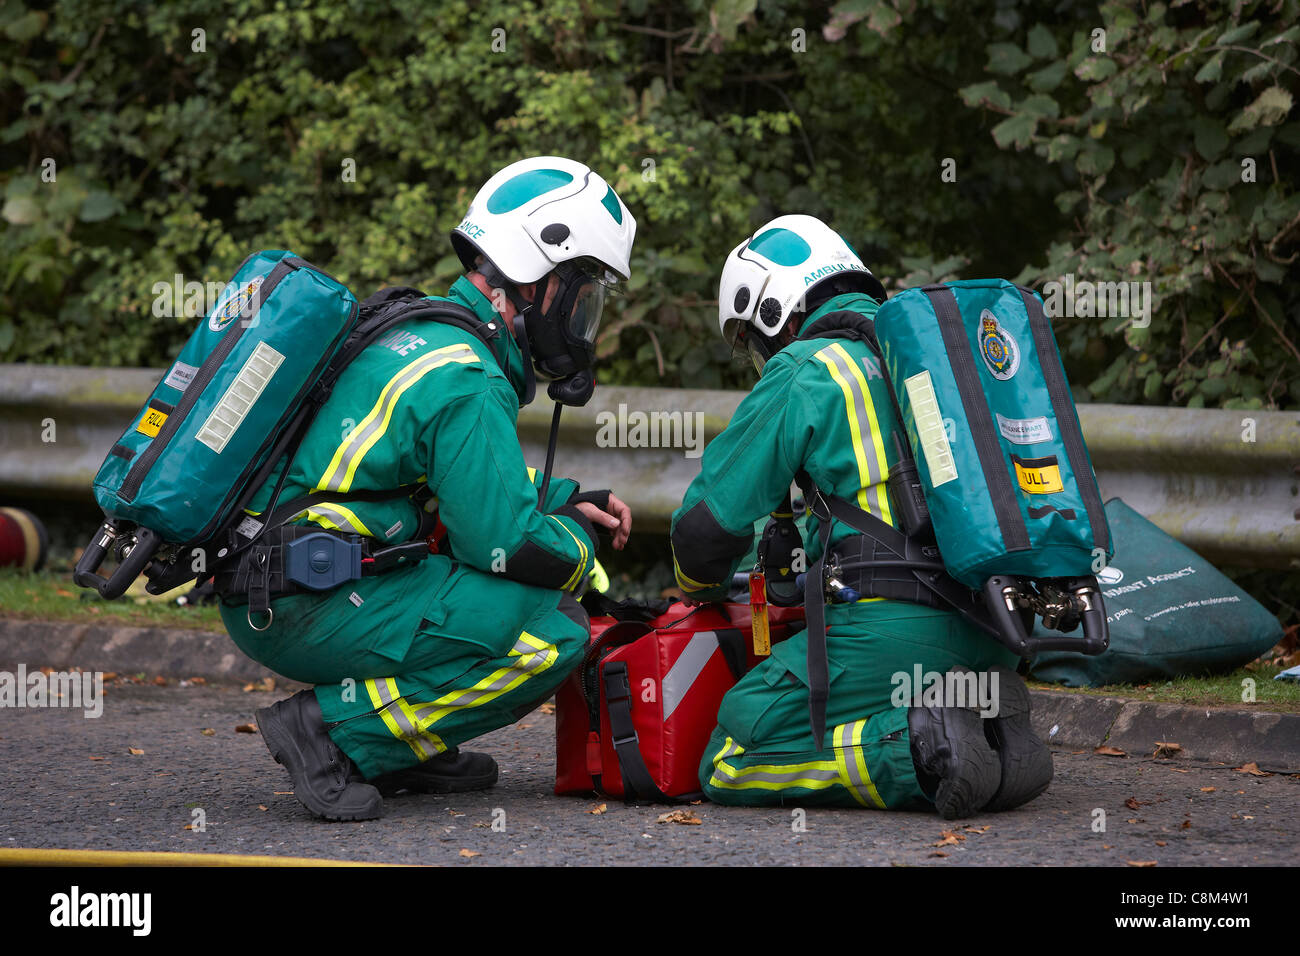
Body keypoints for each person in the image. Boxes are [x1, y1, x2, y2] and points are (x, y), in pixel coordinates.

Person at [218, 156, 635, 820]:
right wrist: (580, 551)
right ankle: (335, 734)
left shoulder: (420, 335)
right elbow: (500, 540)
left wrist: (556, 496)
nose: (582, 324)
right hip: (310, 596)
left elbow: (415, 475)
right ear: (539, 280)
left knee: (479, 578)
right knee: (551, 629)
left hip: (284, 577)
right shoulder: (467, 375)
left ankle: (405, 746)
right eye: (581, 295)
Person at [669, 214, 1052, 818]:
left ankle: (917, 749)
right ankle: (975, 721)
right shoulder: (939, 358)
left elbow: (704, 533)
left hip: (891, 635)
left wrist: (701, 587)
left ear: (778, 314)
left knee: (731, 750)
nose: (763, 355)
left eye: (757, 339)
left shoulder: (808, 369)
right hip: (996, 626)